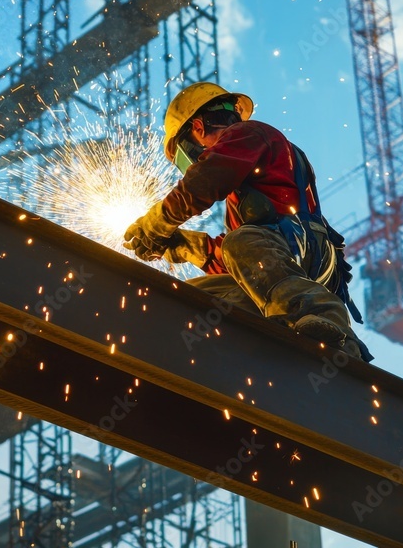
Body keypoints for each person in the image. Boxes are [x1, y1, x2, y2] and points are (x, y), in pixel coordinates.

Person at [123, 82, 373, 361]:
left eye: (186, 158)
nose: (193, 164)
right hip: (285, 260)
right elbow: (246, 263)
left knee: (240, 242)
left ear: (197, 128)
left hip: (305, 250)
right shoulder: (242, 189)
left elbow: (204, 181)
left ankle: (332, 327)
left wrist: (157, 222)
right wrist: (186, 246)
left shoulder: (248, 134)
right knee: (198, 298)